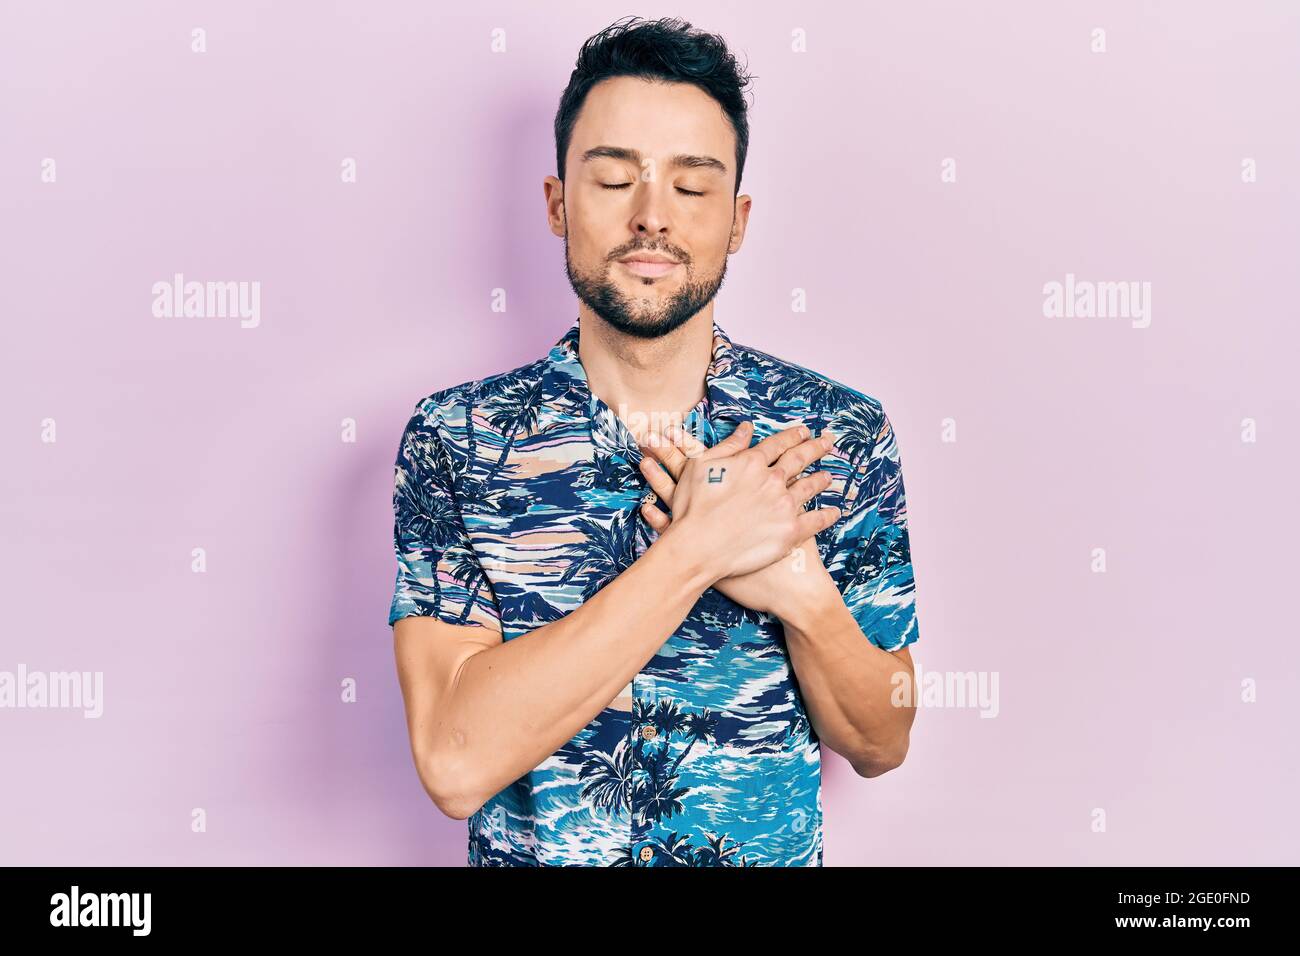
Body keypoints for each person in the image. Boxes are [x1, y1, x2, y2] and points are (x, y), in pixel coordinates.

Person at [388, 16, 920, 867]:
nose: (651, 219)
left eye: (692, 187)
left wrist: (799, 589)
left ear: (737, 219)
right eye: (612, 180)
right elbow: (454, 763)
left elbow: (881, 738)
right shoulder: (456, 441)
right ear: (559, 204)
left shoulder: (835, 434)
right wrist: (700, 550)